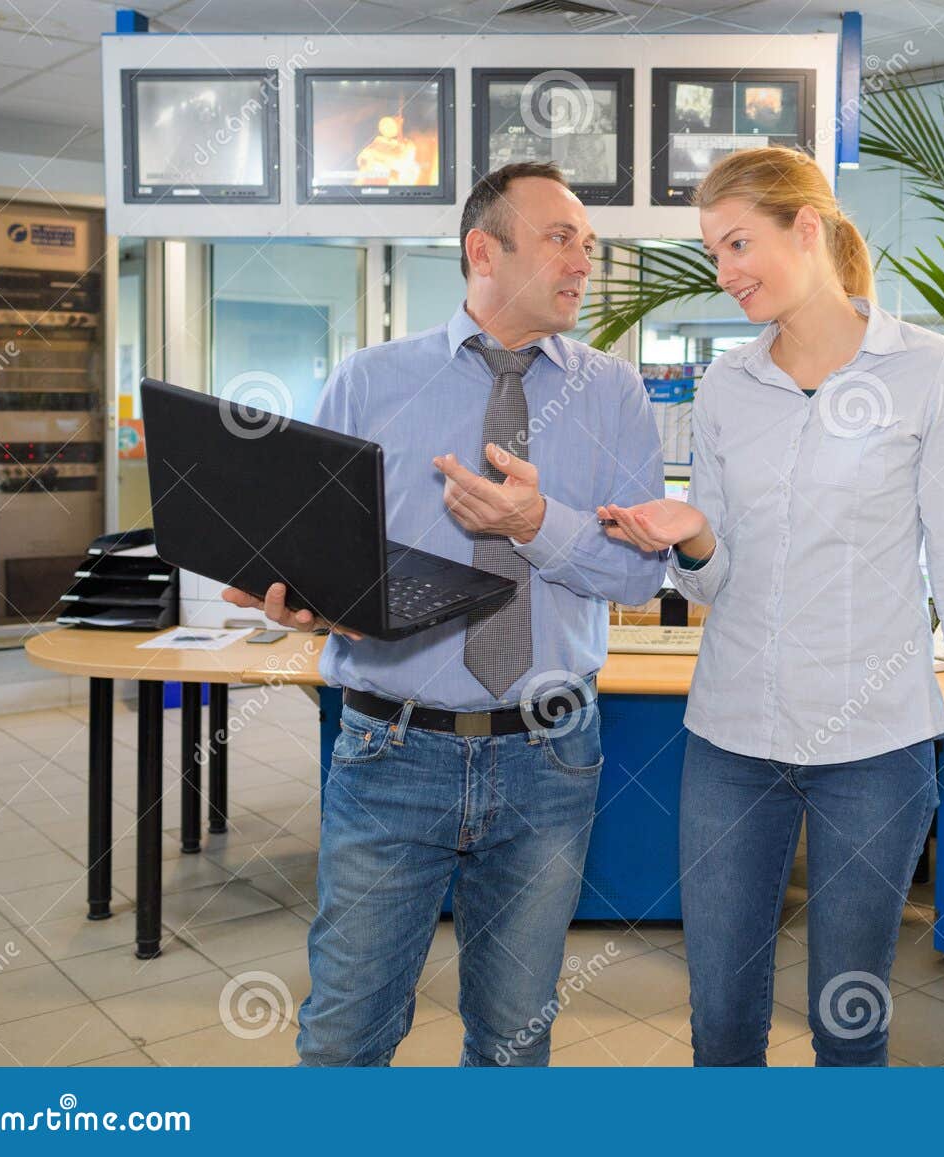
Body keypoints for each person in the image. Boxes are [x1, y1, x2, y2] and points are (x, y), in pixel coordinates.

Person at [596, 147, 944, 1067]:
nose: (724, 271)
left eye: (739, 243)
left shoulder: (926, 369)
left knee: (847, 1026)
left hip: (874, 749)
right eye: (712, 252)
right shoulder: (726, 385)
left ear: (806, 229)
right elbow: (709, 585)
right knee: (721, 1023)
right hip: (731, 741)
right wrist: (693, 538)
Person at [223, 161, 665, 1066]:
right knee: (345, 1034)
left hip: (550, 753)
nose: (584, 261)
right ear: (483, 252)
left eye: (588, 243)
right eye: (560, 238)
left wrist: (536, 524)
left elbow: (637, 578)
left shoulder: (615, 393)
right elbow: (319, 551)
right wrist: (301, 598)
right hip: (390, 747)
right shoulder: (370, 381)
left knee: (512, 1040)